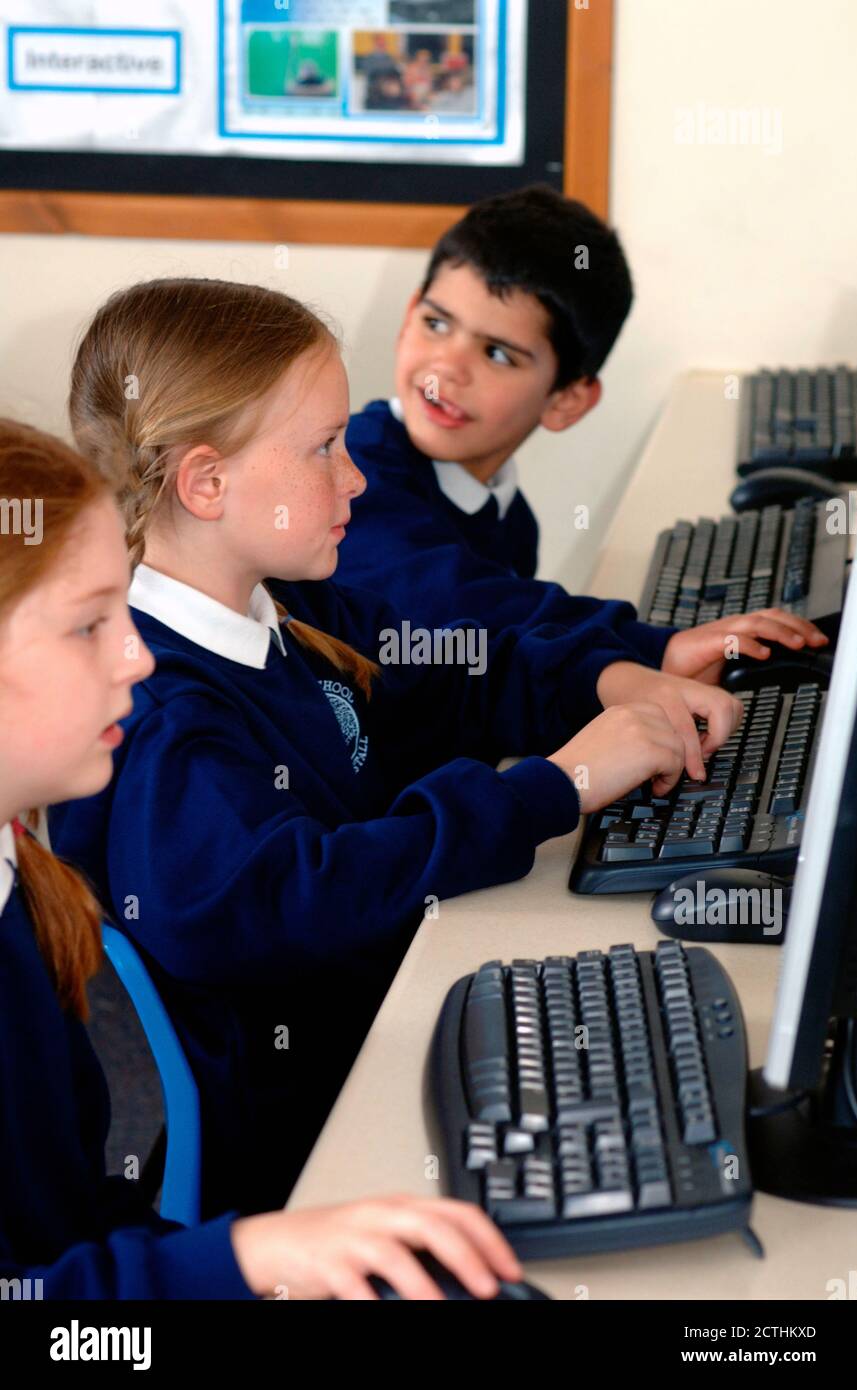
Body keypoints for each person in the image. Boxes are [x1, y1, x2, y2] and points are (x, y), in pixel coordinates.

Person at [52, 276, 737, 1218]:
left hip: (379, 1018)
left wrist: (612, 677)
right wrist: (558, 787)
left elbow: (456, 673)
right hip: (307, 1135)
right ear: (206, 481)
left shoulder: (286, 604)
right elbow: (294, 896)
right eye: (324, 450)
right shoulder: (157, 711)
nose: (357, 478)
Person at [0, 417, 524, 1300]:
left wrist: (261, 1259)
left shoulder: (19, 885)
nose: (137, 655)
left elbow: (71, 1238)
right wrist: (246, 1259)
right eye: (90, 626)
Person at [338, 184, 829, 685]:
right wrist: (656, 649)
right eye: (437, 324)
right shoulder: (348, 475)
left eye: (498, 354)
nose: (448, 367)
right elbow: (449, 603)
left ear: (566, 400)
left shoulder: (508, 519)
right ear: (408, 317)